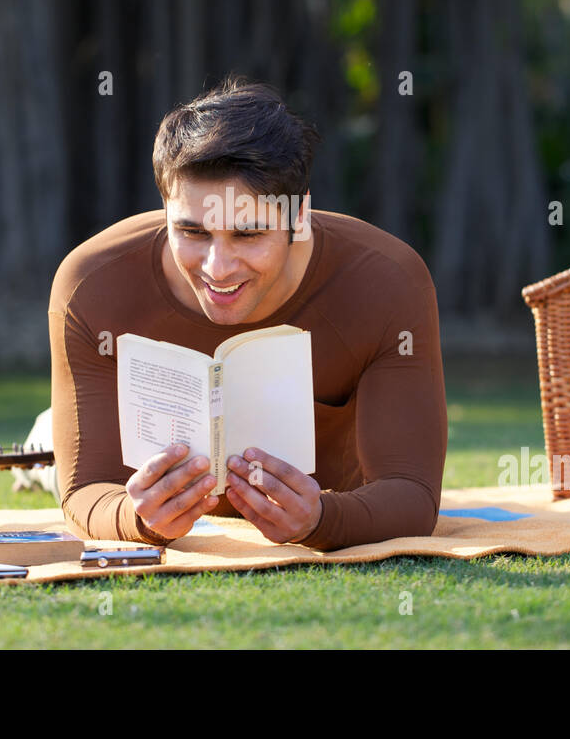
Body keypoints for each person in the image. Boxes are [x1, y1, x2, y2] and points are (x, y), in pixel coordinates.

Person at [40, 76, 448, 552]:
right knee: (55, 450)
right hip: (124, 468)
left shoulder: (388, 280)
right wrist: (137, 518)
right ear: (165, 209)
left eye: (249, 235)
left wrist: (321, 519)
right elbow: (83, 492)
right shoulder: (91, 283)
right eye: (191, 232)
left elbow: (413, 495)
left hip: (333, 506)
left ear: (299, 216)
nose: (217, 268)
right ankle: (44, 434)